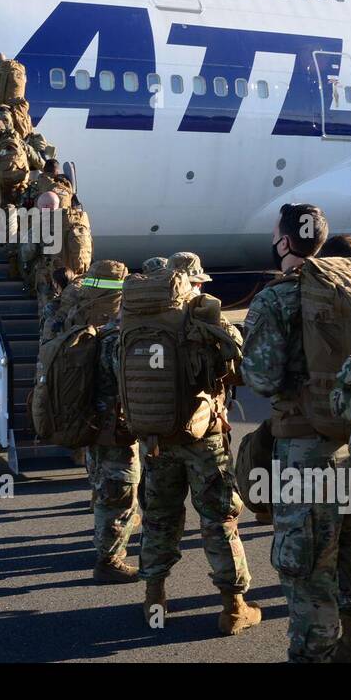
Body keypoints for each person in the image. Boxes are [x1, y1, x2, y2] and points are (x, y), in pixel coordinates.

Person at [241, 203, 351, 662]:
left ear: (286, 243)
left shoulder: (278, 296)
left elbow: (263, 378)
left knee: (309, 572)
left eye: (276, 236)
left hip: (309, 454)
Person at [135, 252, 262, 636]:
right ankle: (234, 606)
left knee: (159, 518)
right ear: (190, 283)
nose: (205, 287)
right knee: (219, 518)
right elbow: (241, 367)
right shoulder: (205, 322)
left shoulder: (132, 323)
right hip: (203, 439)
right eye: (200, 282)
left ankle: (154, 595)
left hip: (156, 440)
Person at [90, 305, 141, 583]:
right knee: (119, 494)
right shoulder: (117, 343)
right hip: (114, 430)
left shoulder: (100, 334)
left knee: (105, 489)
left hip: (97, 425)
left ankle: (106, 548)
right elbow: (129, 383)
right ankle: (108, 561)